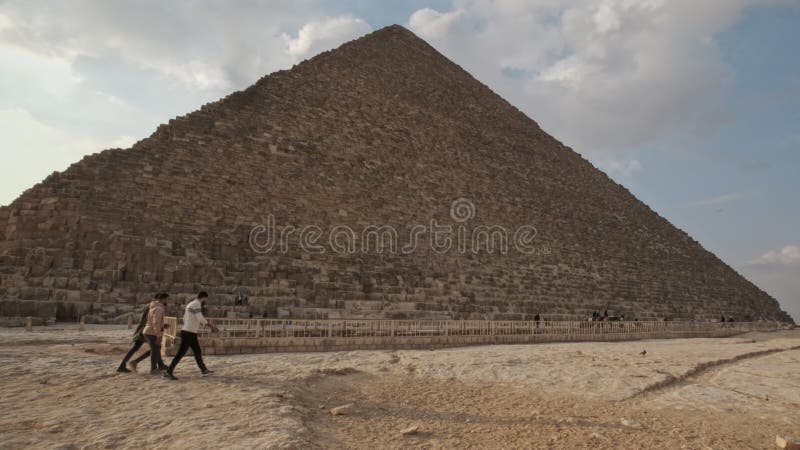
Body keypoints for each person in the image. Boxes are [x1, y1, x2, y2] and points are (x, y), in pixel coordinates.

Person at [163, 291, 219, 380]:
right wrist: (211, 326)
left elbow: (185, 318)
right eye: (206, 299)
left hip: (190, 332)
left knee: (197, 351)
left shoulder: (191, 304)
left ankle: (204, 370)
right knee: (180, 353)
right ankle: (168, 372)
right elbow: (200, 317)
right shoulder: (196, 304)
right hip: (188, 332)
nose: (206, 301)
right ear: (204, 297)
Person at [116, 299, 165, 373]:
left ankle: (124, 365)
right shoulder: (153, 308)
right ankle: (135, 362)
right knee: (155, 348)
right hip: (147, 331)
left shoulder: (149, 307)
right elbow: (151, 321)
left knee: (153, 348)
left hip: (143, 330)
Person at [142, 292, 170, 375]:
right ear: (163, 299)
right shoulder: (159, 309)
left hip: (150, 331)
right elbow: (156, 323)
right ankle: (153, 369)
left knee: (156, 349)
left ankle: (161, 366)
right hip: (152, 332)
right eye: (167, 299)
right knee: (154, 350)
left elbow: (155, 322)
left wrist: (163, 325)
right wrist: (158, 336)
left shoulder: (155, 307)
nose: (168, 301)